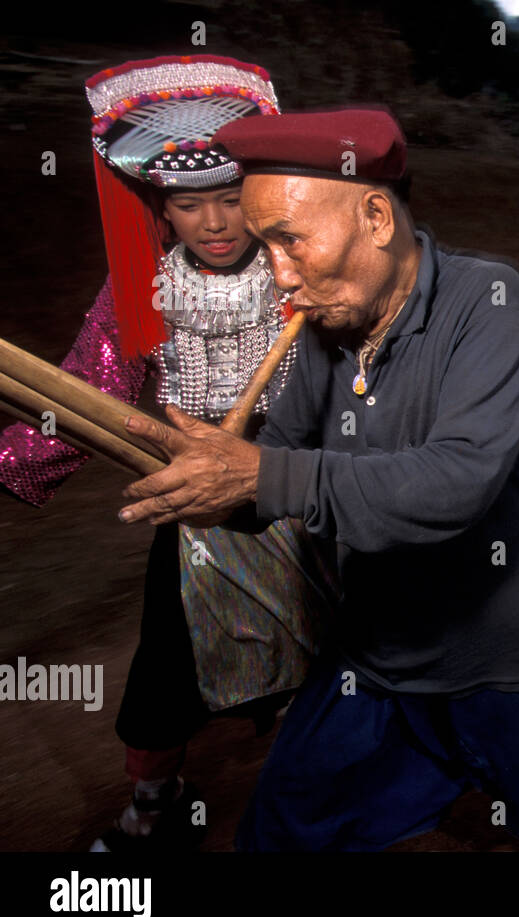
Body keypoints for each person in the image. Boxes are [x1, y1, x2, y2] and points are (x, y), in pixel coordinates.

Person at [117, 107, 519, 851]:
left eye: (290, 240)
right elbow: (275, 476)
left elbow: (455, 481)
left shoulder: (491, 301)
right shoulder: (326, 331)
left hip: (515, 661)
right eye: (266, 248)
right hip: (380, 654)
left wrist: (262, 474)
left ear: (377, 217)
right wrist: (210, 486)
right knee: (280, 831)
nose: (280, 278)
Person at [0, 54, 336, 851]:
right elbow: (84, 398)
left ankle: (316, 791)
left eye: (230, 199)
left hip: (299, 492)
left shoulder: (304, 278)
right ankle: (154, 803)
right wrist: (11, 463)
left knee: (326, 649)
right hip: (186, 503)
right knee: (165, 671)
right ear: (159, 204)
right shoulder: (136, 291)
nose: (216, 223)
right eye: (190, 203)